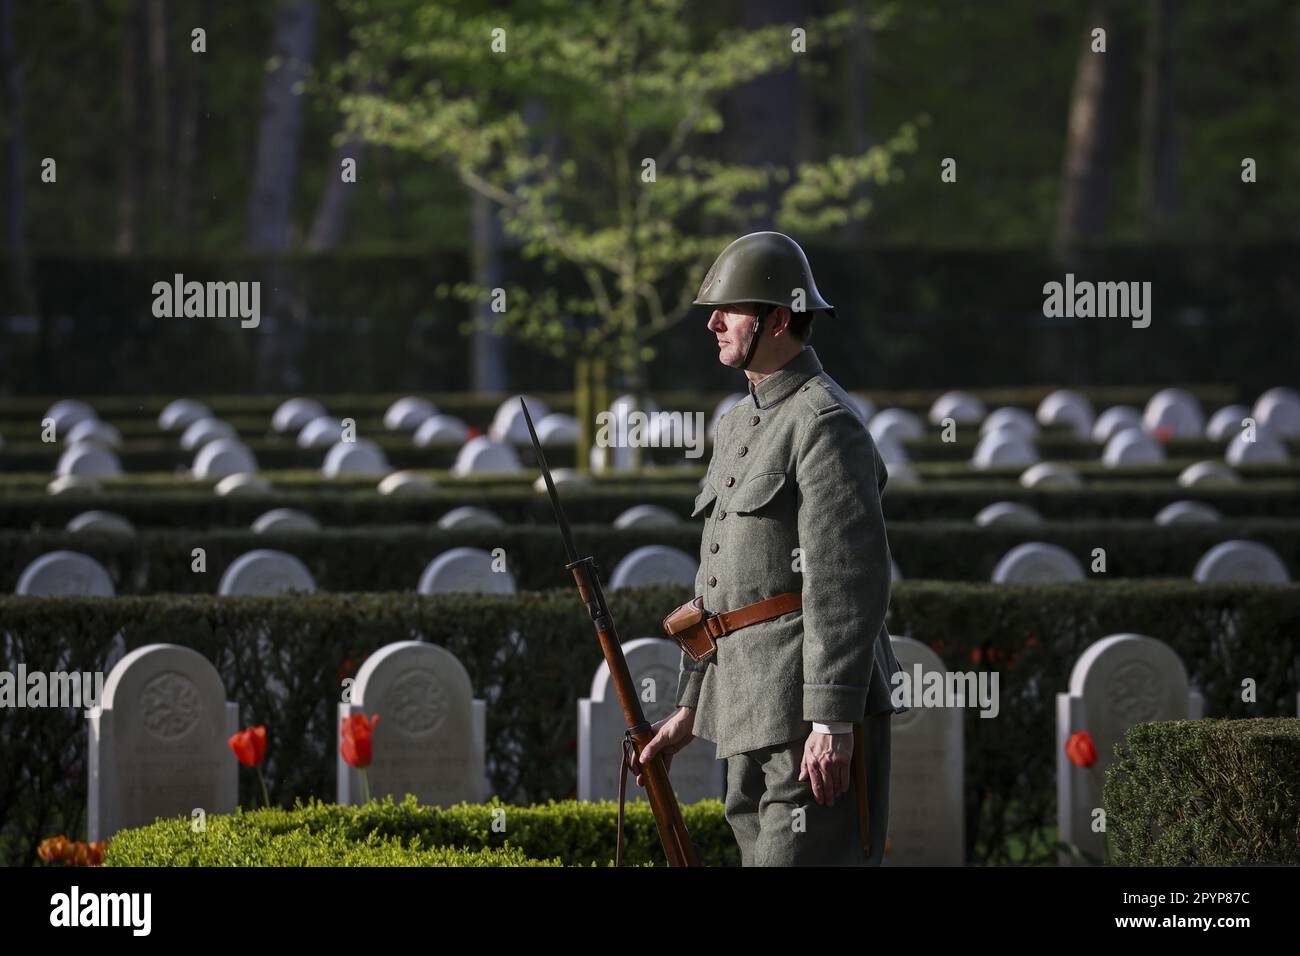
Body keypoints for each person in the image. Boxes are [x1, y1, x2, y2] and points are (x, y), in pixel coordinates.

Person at [633, 231, 905, 866]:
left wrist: (834, 721)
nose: (715, 324)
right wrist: (689, 708)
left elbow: (847, 582)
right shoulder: (737, 423)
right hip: (744, 709)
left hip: (806, 718)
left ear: (779, 318)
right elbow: (721, 587)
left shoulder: (824, 423)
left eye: (731, 309)